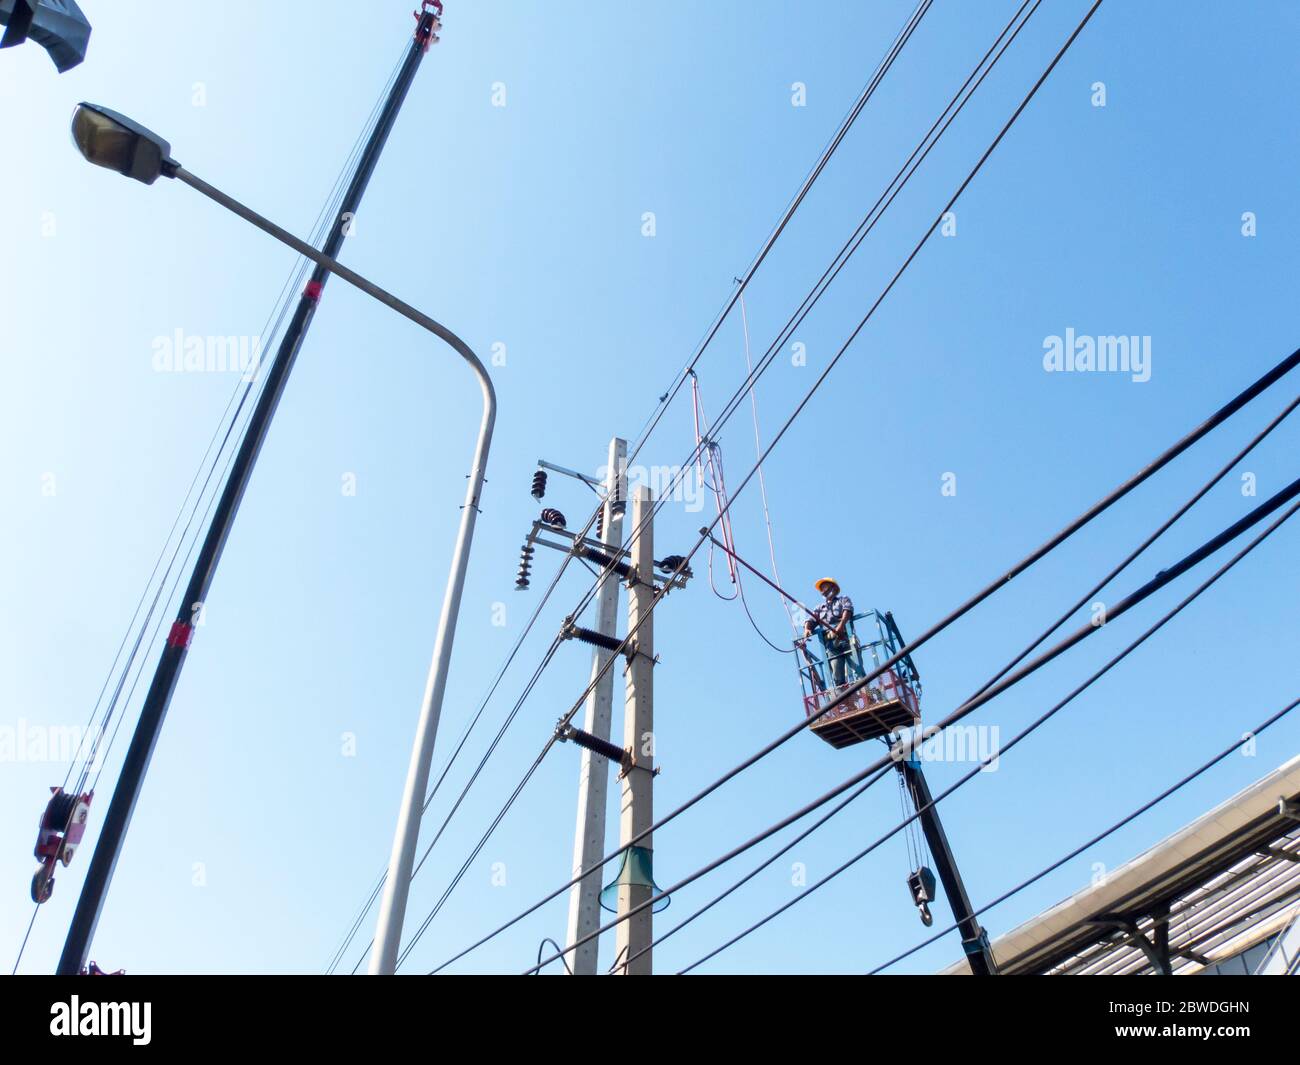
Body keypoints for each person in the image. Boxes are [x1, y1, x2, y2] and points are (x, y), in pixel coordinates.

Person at [804, 577, 862, 688]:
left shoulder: (843, 600)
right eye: (821, 589)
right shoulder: (820, 608)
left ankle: (869, 695)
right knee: (837, 676)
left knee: (858, 671)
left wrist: (841, 625)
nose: (823, 591)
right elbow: (811, 620)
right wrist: (807, 628)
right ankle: (846, 703)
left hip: (846, 639)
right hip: (831, 645)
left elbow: (848, 611)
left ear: (833, 588)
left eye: (825, 587)